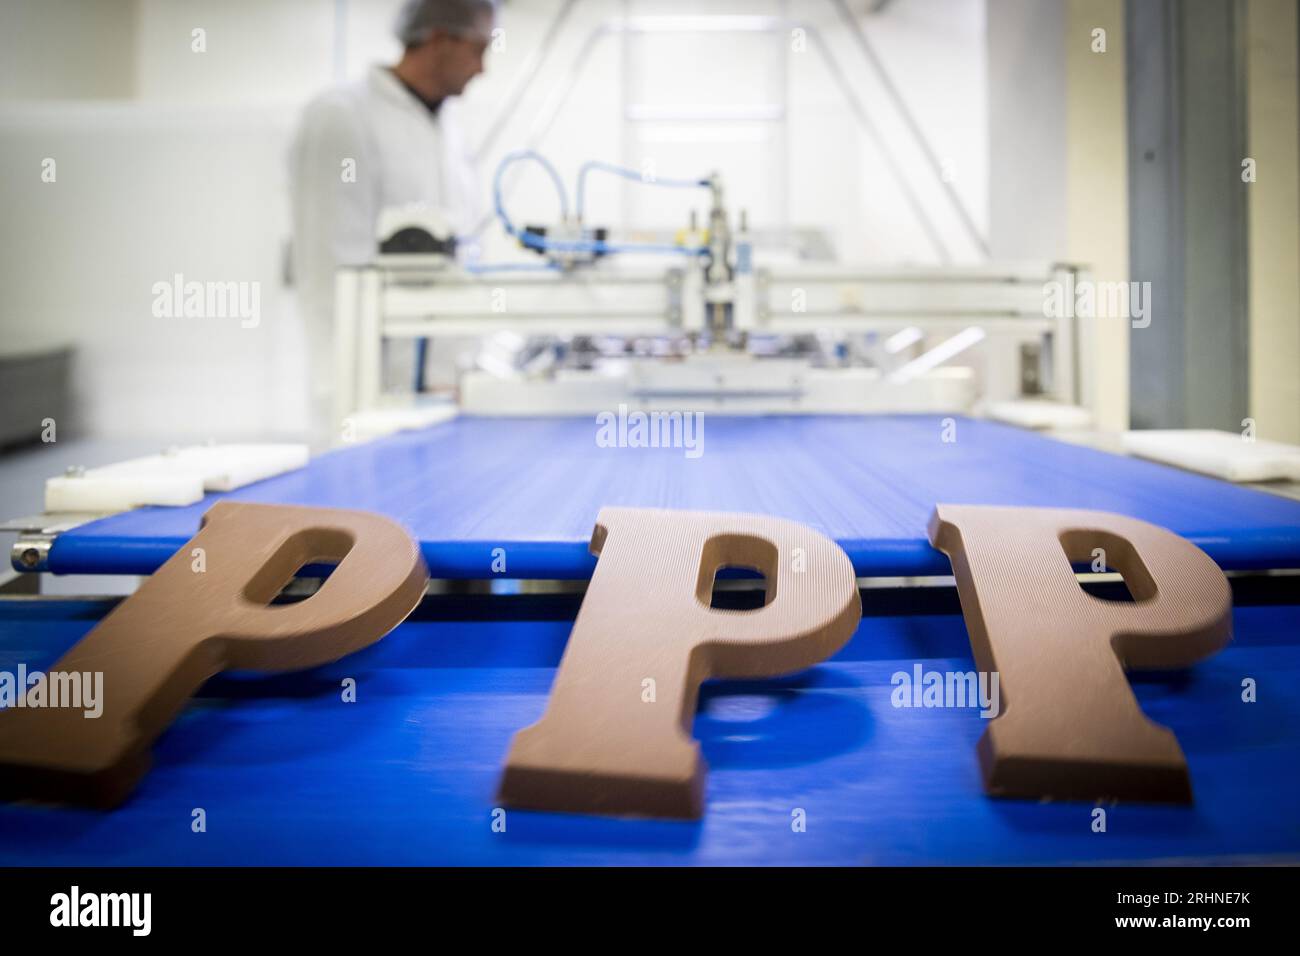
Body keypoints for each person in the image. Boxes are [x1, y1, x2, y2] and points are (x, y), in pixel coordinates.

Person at [289, 0, 495, 442]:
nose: (483, 69)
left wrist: (459, 368)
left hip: (440, 400)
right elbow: (331, 275)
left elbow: (460, 266)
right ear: (439, 39)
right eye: (479, 49)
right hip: (366, 404)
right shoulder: (341, 115)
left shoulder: (450, 129)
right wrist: (344, 404)